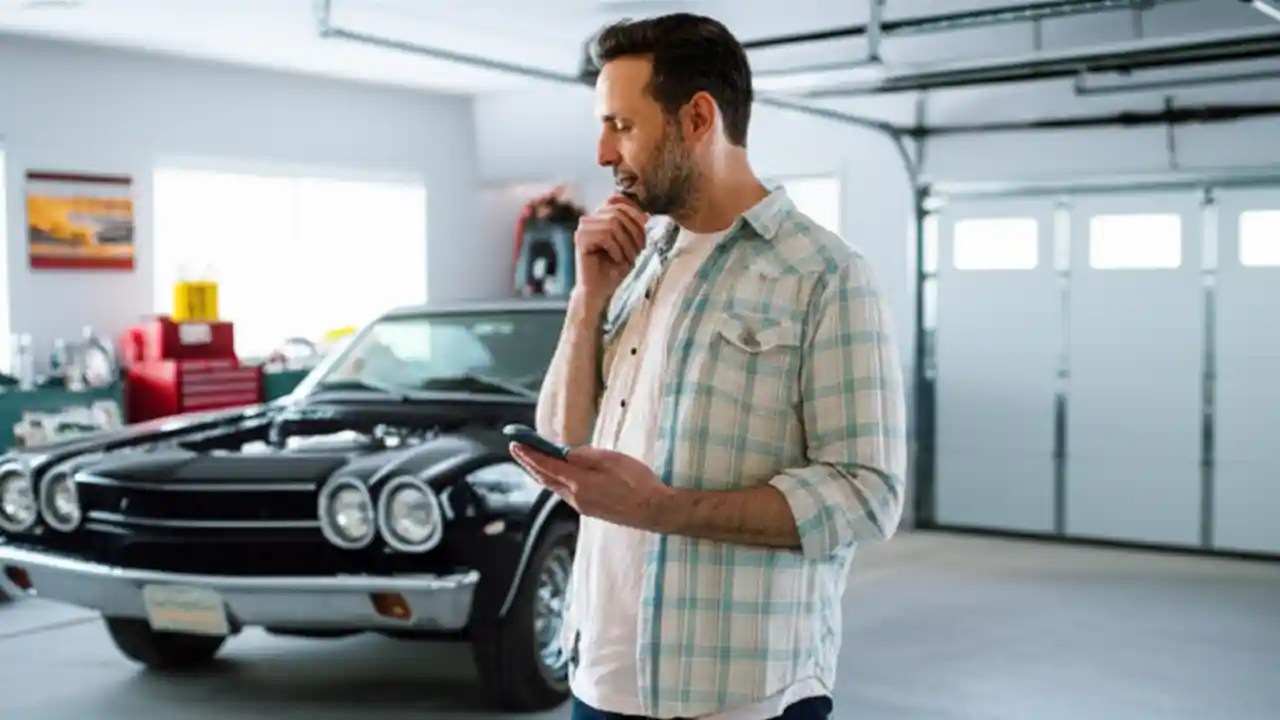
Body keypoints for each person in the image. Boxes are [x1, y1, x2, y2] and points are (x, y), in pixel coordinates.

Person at [509, 12, 907, 720]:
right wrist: (586, 298)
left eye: (622, 125)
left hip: (737, 697)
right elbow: (566, 443)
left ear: (697, 118)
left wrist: (660, 511)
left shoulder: (824, 274)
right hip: (598, 680)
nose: (602, 151)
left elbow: (867, 494)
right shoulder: (636, 263)